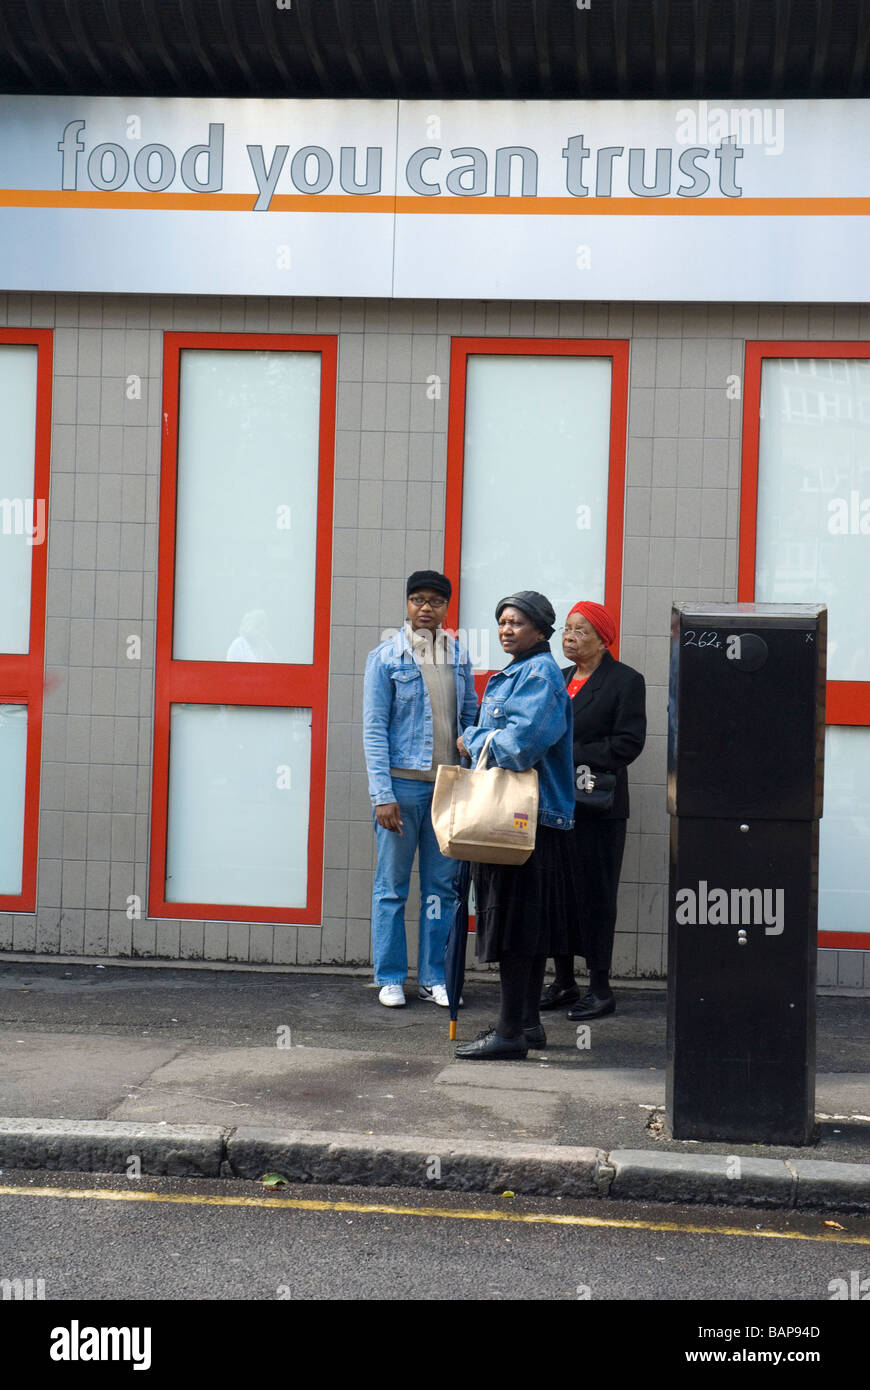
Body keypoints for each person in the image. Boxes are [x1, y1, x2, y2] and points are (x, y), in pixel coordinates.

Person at [454, 591, 577, 1060]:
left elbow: (521, 746)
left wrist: (472, 737)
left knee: (516, 926)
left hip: (527, 822)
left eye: (517, 623)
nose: (506, 629)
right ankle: (527, 1024)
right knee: (523, 925)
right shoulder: (521, 672)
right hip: (520, 819)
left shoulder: (539, 675)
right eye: (502, 621)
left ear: (542, 630)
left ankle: (509, 1033)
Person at [363, 570, 479, 1008]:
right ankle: (390, 976)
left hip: (447, 790)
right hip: (402, 790)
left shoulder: (458, 655)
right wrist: (382, 795)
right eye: (417, 600)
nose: (425, 608)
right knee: (391, 886)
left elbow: (470, 719)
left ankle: (435, 977)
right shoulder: (386, 658)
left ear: (447, 607)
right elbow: (374, 730)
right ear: (407, 605)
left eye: (435, 601)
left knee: (442, 888)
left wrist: (471, 772)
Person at [540, 600, 646, 1021]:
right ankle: (563, 981)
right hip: (555, 805)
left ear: (603, 639)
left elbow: (628, 743)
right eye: (566, 628)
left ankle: (600, 988)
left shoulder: (625, 681)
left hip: (598, 810)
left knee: (595, 896)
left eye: (581, 630)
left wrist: (568, 754)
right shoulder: (559, 679)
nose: (569, 636)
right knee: (558, 894)